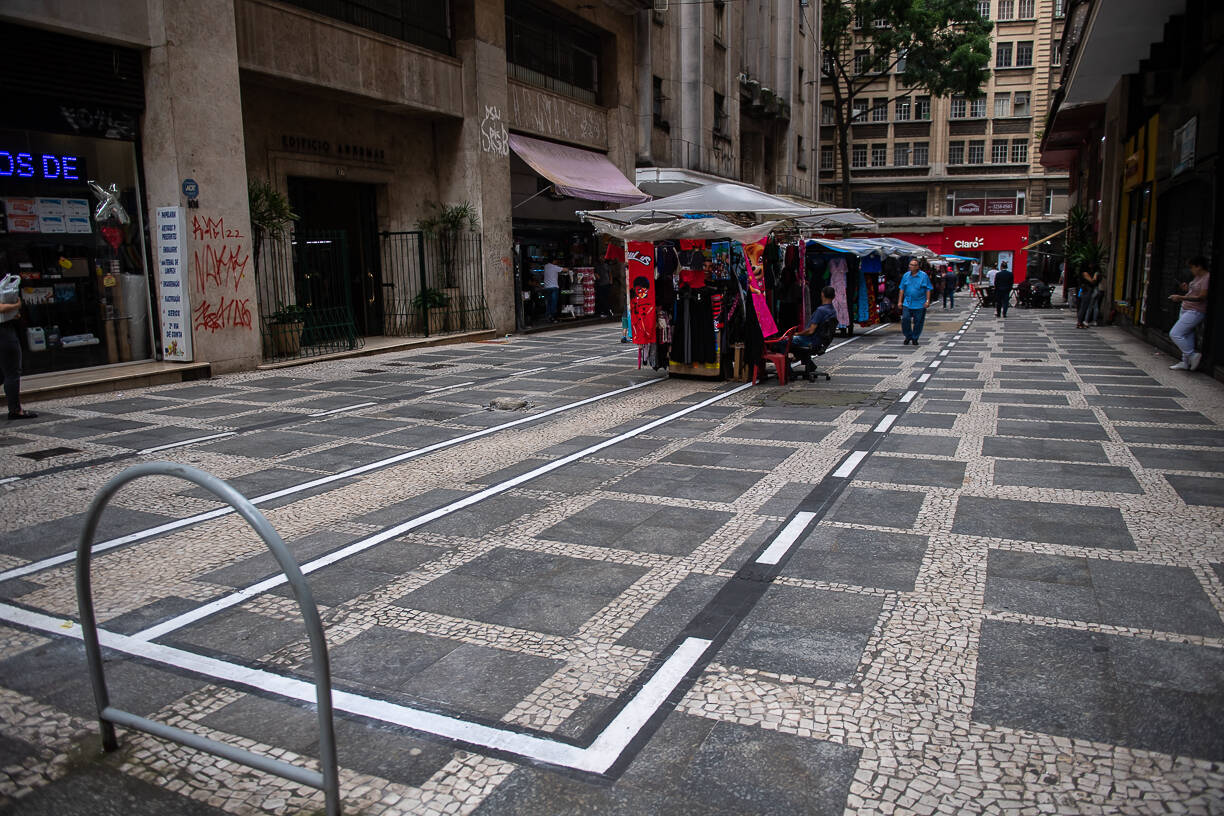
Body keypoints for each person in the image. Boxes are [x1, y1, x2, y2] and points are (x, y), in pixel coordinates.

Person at [0, 277, 37, 420]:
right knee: (12, 372)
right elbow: (1, 308)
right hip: (3, 332)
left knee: (4, 373)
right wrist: (16, 304)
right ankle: (15, 410)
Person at [1168, 256, 1211, 371]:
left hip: (1195, 311)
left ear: (1199, 266)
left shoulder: (1207, 278)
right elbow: (1194, 293)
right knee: (1187, 335)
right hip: (1186, 308)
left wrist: (1180, 297)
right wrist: (1186, 290)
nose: (1191, 270)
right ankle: (1185, 362)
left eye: (1192, 267)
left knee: (1175, 333)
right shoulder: (1198, 277)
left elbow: (1202, 297)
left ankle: (1192, 355)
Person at [789, 285, 838, 380]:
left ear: (822, 295)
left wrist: (798, 334)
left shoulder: (821, 310)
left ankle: (787, 370)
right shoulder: (832, 311)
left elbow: (810, 331)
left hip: (811, 340)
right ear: (834, 297)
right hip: (820, 342)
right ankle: (809, 364)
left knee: (784, 342)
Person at [898, 259, 934, 345]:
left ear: (918, 267)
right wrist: (900, 301)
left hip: (920, 303)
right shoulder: (906, 276)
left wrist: (928, 301)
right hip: (907, 302)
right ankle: (908, 335)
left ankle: (915, 337)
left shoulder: (924, 276)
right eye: (910, 264)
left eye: (914, 265)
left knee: (918, 321)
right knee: (905, 319)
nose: (911, 266)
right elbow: (902, 289)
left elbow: (928, 289)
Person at [1076, 262, 1101, 329]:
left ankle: (1080, 322)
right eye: (1089, 264)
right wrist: (1095, 275)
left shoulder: (1084, 273)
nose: (1091, 265)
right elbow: (1092, 281)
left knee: (1083, 307)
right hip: (1086, 291)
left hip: (1085, 291)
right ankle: (1079, 322)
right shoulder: (1085, 273)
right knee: (1083, 307)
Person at [541, 257, 564, 322]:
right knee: (554, 303)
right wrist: (570, 269)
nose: (557, 262)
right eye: (556, 260)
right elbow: (564, 269)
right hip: (554, 287)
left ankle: (548, 316)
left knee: (549, 303)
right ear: (553, 261)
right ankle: (553, 317)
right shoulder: (554, 267)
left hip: (546, 288)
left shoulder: (546, 266)